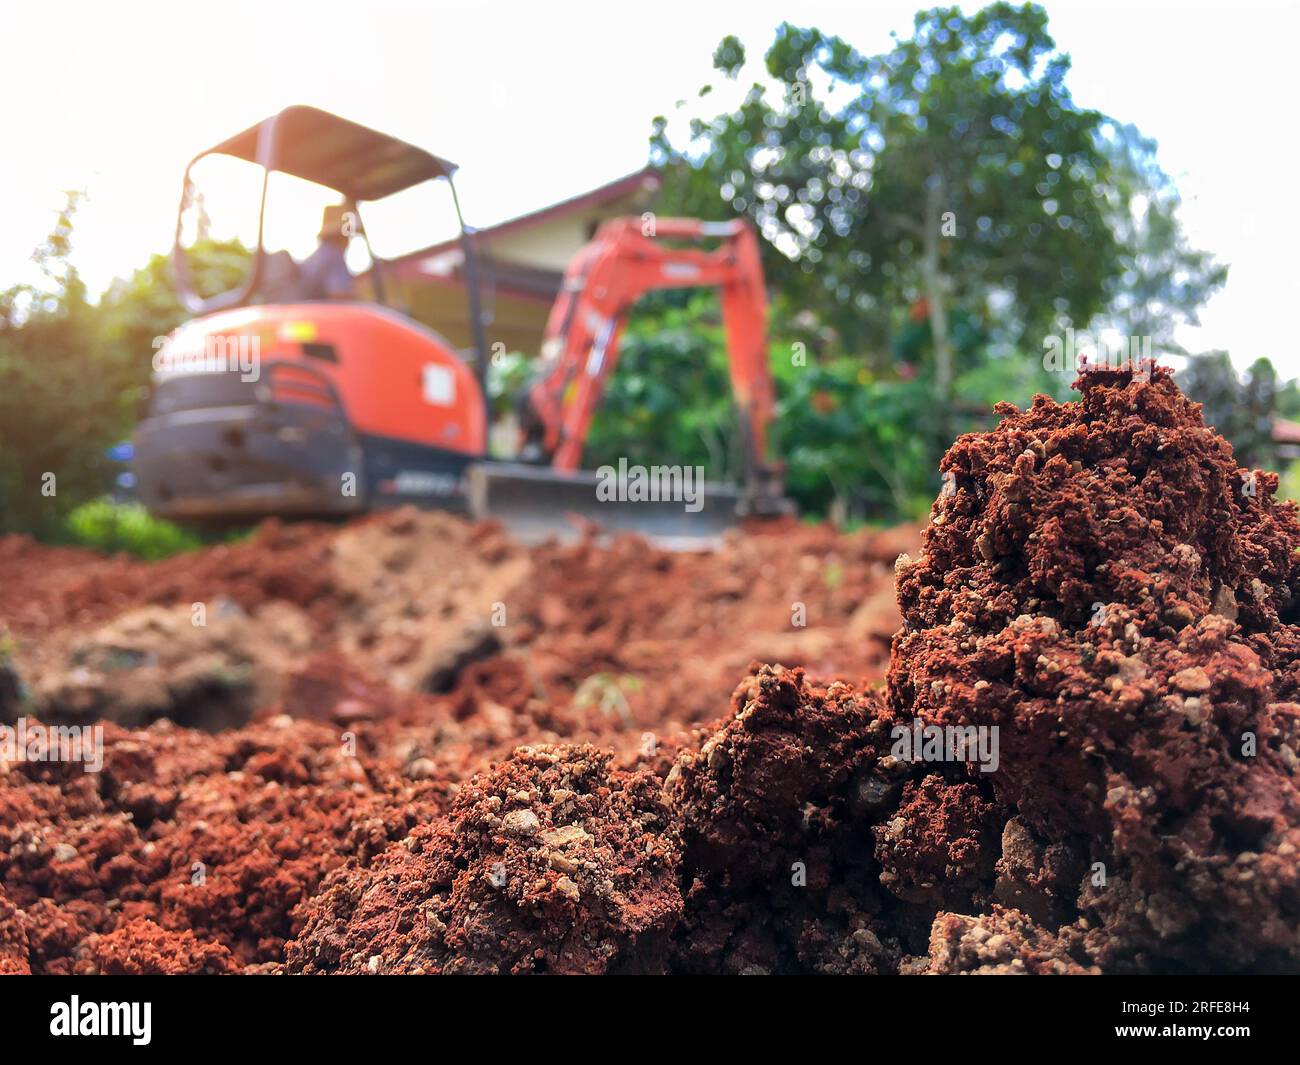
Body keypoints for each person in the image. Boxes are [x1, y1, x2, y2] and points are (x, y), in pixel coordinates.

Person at [297, 203, 356, 300]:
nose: (350, 239)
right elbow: (339, 295)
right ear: (342, 235)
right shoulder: (334, 255)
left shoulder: (319, 256)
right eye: (349, 235)